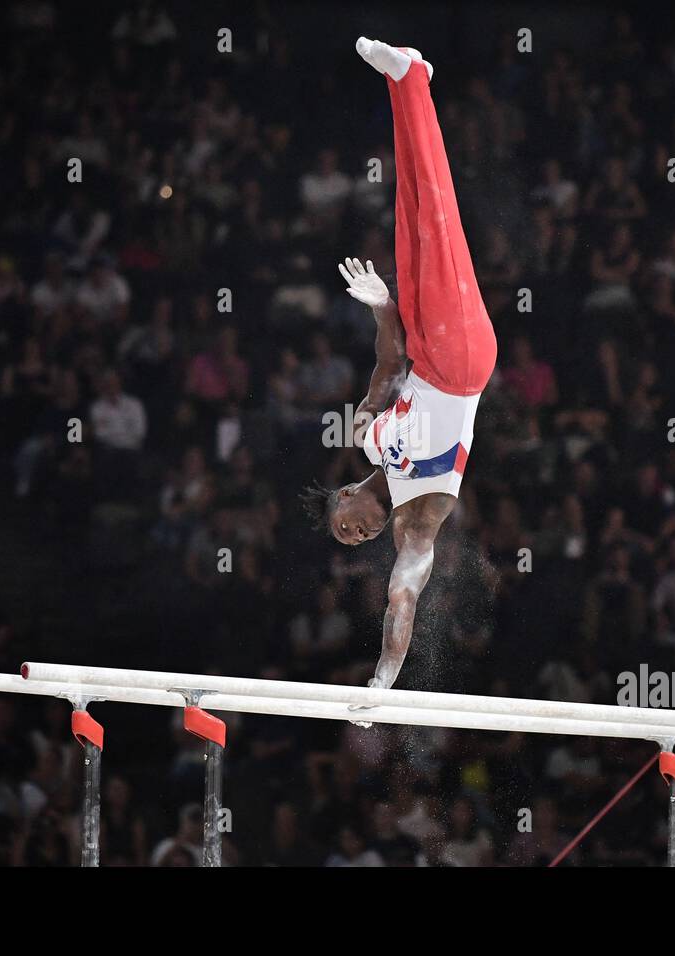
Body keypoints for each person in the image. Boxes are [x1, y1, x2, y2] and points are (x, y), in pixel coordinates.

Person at [302, 39, 497, 690]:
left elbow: (388, 363)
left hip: (422, 344)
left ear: (346, 492)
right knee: (438, 215)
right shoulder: (417, 520)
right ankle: (411, 75)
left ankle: (408, 83)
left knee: (412, 214)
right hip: (461, 360)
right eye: (355, 540)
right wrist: (383, 677)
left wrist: (382, 303)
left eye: (344, 526)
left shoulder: (368, 434)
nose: (355, 534)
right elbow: (402, 600)